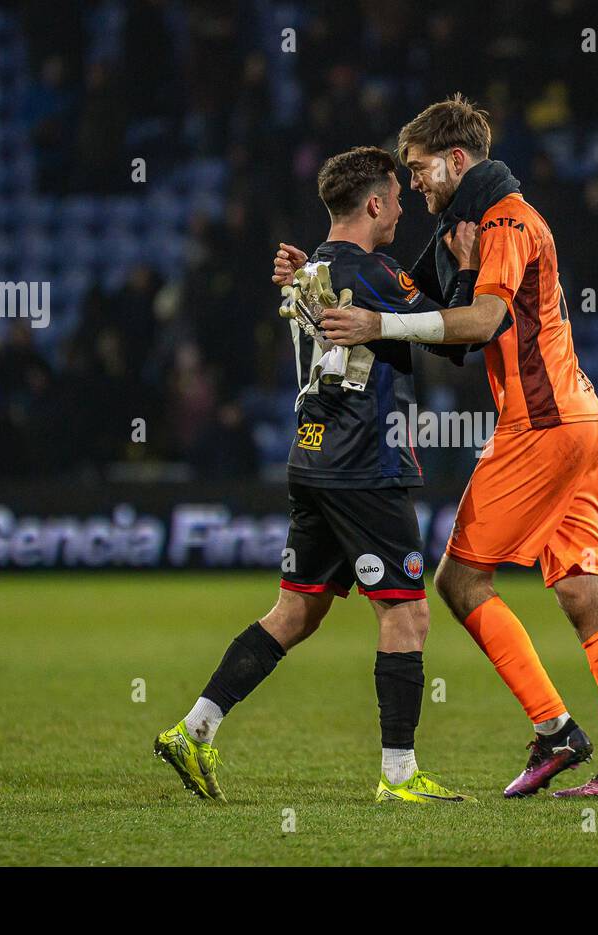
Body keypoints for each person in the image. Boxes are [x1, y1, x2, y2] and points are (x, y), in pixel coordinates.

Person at [305, 95, 598, 799]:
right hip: (582, 419)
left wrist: (379, 327)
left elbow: (482, 320)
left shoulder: (503, 222)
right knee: (585, 594)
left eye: (421, 169)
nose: (417, 184)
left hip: (542, 425)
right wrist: (312, 278)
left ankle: (555, 729)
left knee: (459, 582)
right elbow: (422, 296)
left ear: (456, 160)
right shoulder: (492, 219)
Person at [154, 147, 476, 803]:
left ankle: (194, 729)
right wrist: (467, 267)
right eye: (397, 195)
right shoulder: (373, 269)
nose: (403, 207)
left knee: (297, 610)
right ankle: (399, 776)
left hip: (311, 456)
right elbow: (457, 336)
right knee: (407, 615)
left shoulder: (312, 270)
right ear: (376, 204)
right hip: (364, 463)